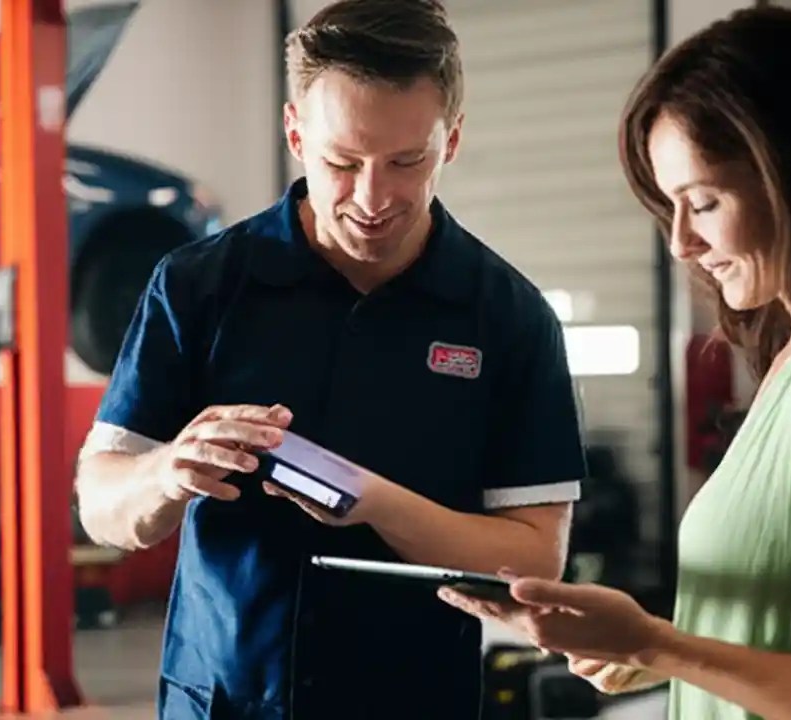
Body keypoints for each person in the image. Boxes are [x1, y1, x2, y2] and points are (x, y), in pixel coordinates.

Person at [440, 6, 791, 719]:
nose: (679, 243)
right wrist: (646, 644)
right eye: (669, 207)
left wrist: (656, 648)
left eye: (702, 202)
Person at [74, 1, 586, 718]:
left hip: (411, 701)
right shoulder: (199, 285)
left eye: (408, 162)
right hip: (223, 698)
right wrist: (168, 471)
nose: (372, 199)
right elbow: (102, 507)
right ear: (295, 133)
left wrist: (372, 503)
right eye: (341, 162)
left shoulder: (508, 317)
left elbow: (535, 561)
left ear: (453, 140)